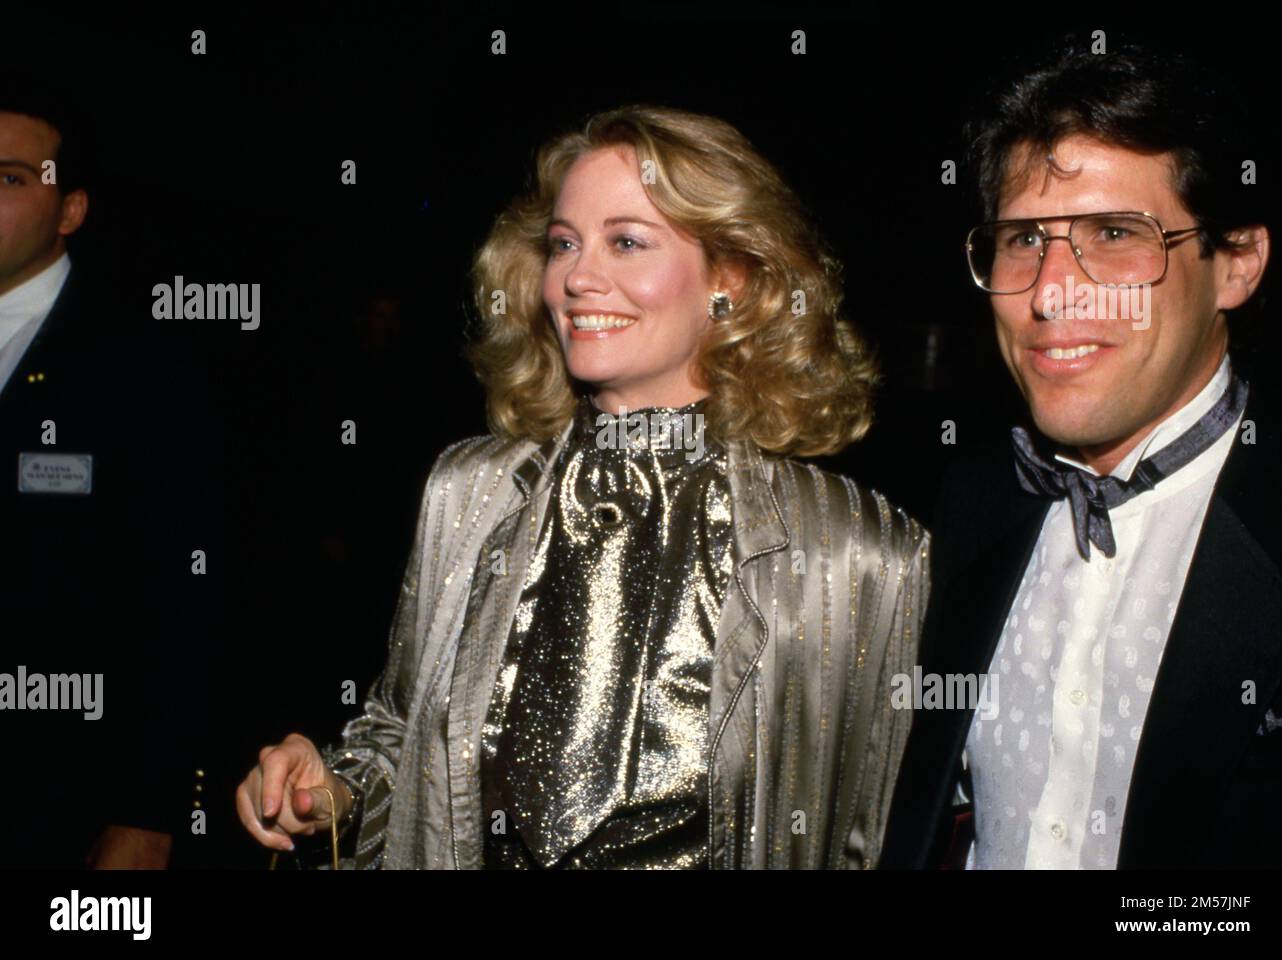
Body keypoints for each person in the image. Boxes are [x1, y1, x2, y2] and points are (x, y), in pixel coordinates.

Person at [236, 104, 930, 869]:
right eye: (564, 244)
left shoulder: (857, 552)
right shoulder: (469, 494)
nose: (577, 278)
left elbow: (872, 833)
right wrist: (326, 790)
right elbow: (400, 736)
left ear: (729, 279)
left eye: (626, 242)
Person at [880, 39, 1282, 869]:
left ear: (1237, 264)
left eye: (1114, 233)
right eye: (1024, 239)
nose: (1049, 292)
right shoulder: (961, 509)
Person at [0, 77, 202, 867]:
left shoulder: (145, 367)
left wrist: (148, 813)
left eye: (11, 179)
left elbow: (184, 601)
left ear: (70, 210)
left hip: (58, 796)